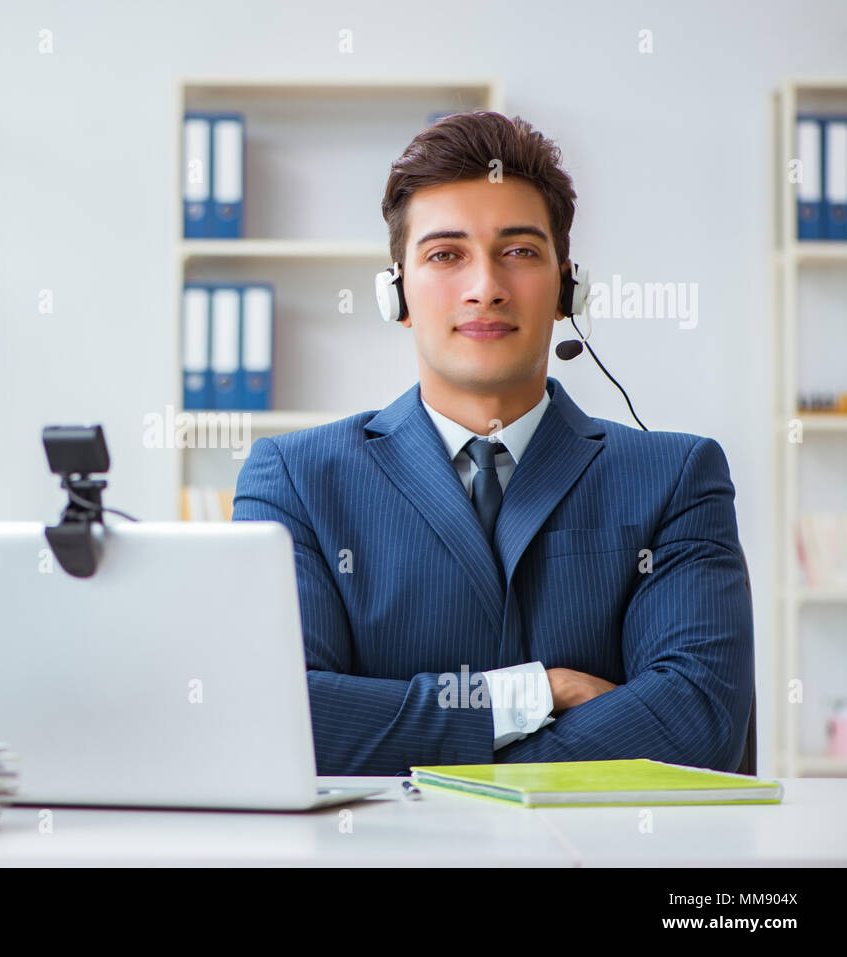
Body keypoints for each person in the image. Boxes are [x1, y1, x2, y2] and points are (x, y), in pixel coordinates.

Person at [231, 111, 753, 776]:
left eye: (519, 252)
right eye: (446, 254)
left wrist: (415, 743)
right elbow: (276, 717)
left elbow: (696, 721)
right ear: (397, 294)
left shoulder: (677, 478)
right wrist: (530, 695)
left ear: (568, 288)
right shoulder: (296, 481)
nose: (485, 287)